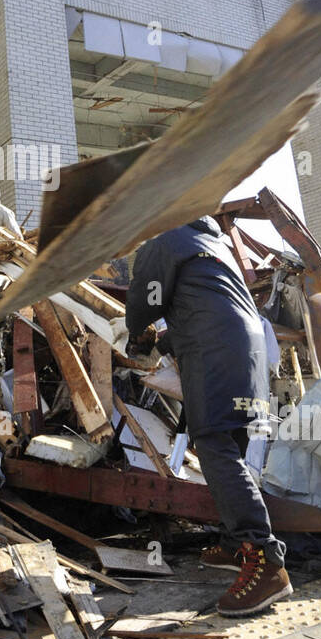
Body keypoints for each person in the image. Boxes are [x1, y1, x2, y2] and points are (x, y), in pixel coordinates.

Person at [122, 215, 293, 617]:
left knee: (214, 443)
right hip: (247, 347)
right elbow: (204, 304)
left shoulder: (162, 239)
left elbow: (140, 305)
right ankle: (236, 544)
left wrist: (136, 333)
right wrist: (165, 341)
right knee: (230, 443)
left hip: (215, 351)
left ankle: (265, 561)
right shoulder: (211, 242)